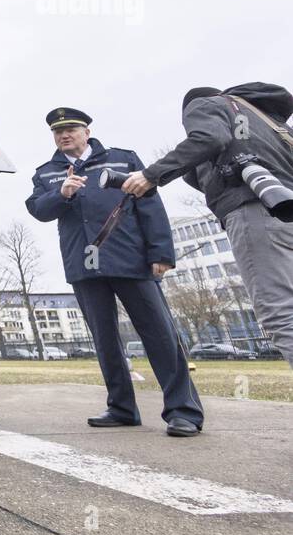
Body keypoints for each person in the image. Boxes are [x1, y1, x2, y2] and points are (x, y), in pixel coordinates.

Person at [26, 108, 204, 436]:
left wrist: (161, 252)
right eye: (58, 131)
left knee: (160, 334)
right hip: (82, 264)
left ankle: (183, 410)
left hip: (131, 258)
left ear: (87, 131)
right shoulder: (47, 172)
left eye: (71, 129)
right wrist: (61, 193)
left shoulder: (123, 159)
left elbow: (149, 204)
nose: (64, 135)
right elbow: (38, 209)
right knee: (105, 340)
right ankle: (121, 407)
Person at [120, 84, 293, 368]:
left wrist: (152, 175)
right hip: (284, 205)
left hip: (257, 212)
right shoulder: (269, 121)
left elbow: (209, 138)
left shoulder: (206, 104)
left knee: (281, 313)